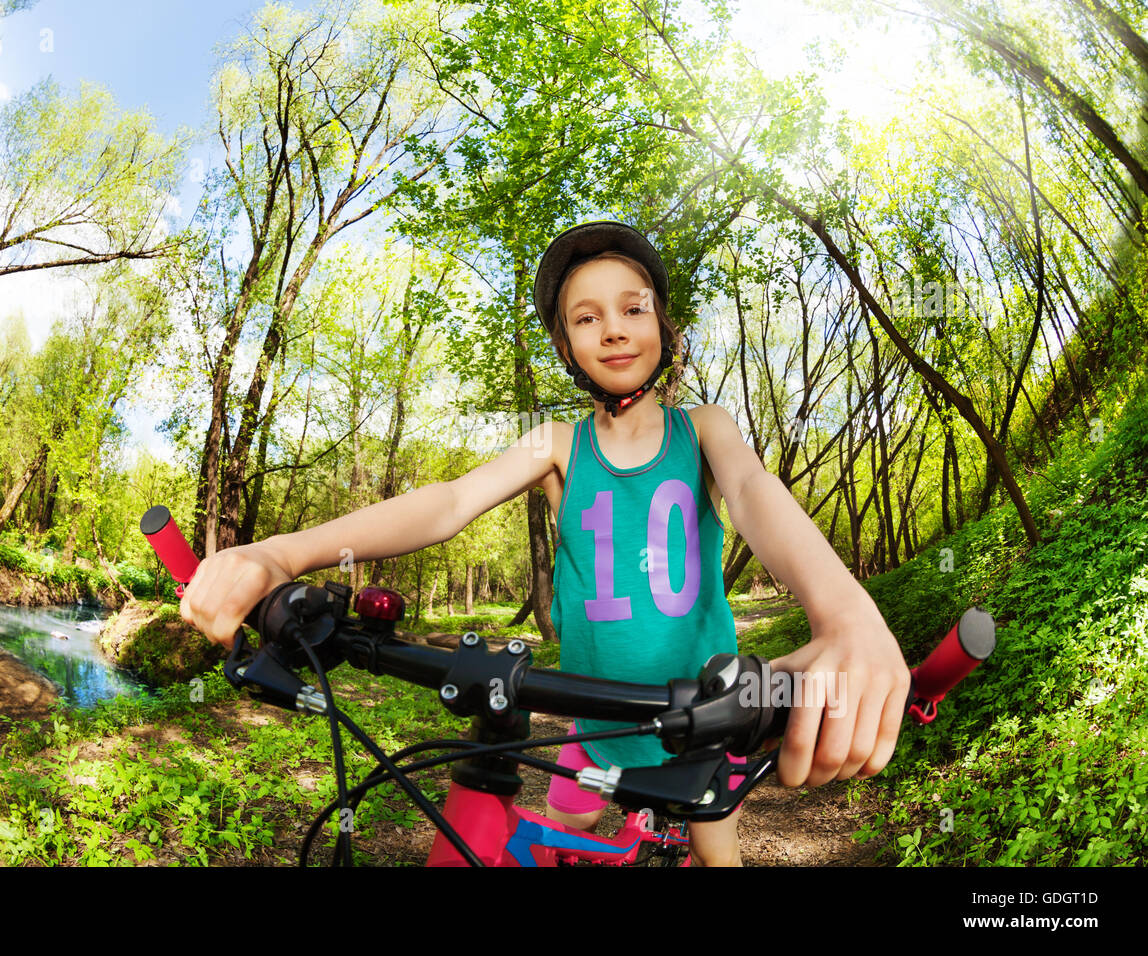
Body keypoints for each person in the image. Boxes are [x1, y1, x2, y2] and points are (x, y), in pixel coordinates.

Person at [180, 220, 910, 867]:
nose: (615, 329)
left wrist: (842, 612)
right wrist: (282, 552)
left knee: (717, 852)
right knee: (558, 837)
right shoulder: (558, 445)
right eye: (587, 318)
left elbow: (756, 497)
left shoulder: (706, 428)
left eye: (633, 309)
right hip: (591, 724)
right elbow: (448, 502)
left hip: (703, 724)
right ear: (566, 345)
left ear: (665, 325)